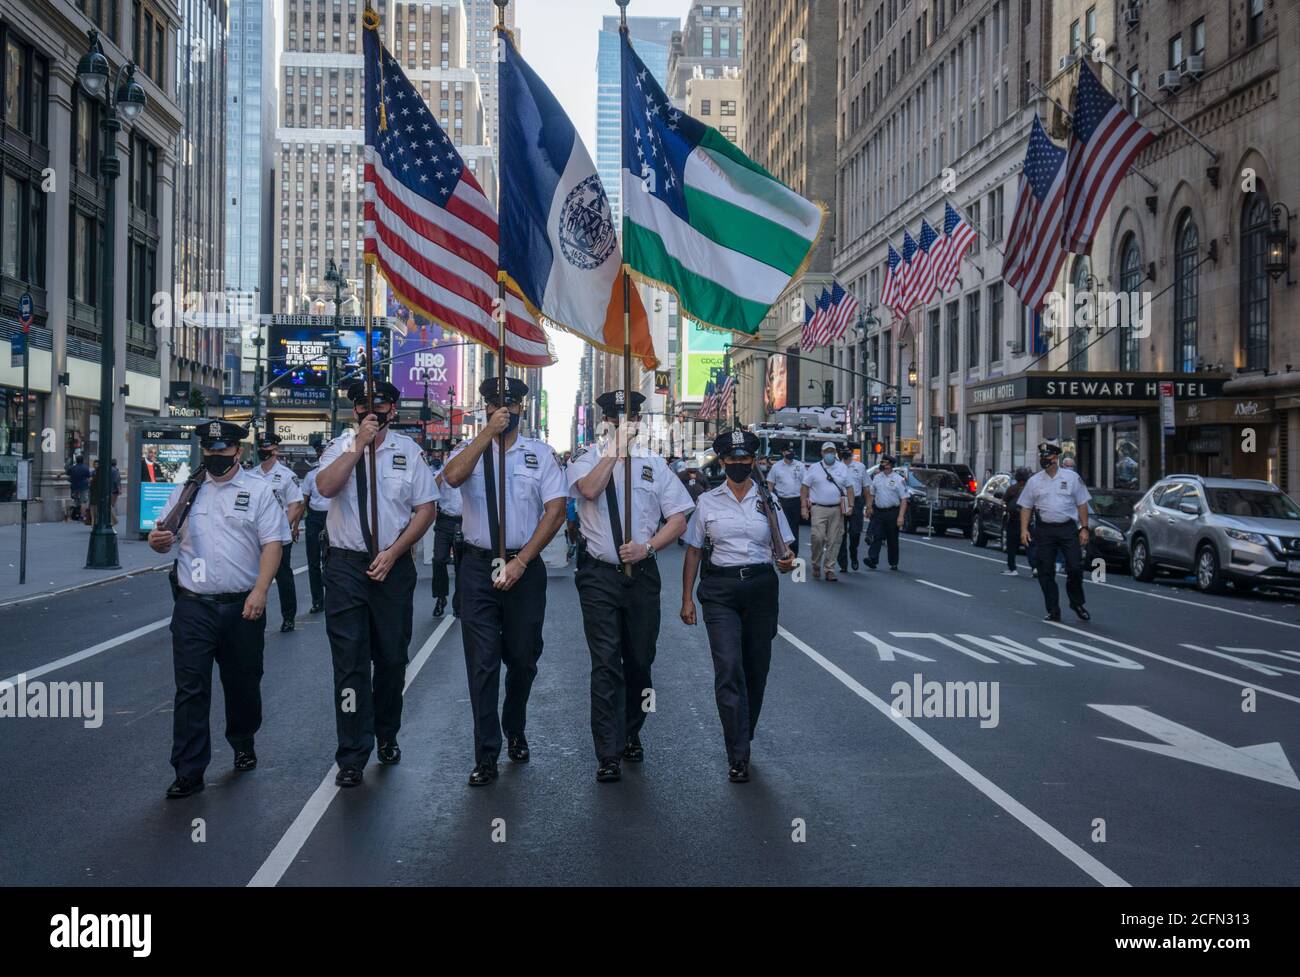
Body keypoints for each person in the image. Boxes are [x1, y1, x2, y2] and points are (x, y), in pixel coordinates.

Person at [147, 420, 289, 799]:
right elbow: (163, 534)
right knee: (190, 689)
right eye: (209, 453)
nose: (215, 459)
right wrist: (157, 540)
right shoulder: (187, 490)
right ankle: (189, 771)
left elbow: (273, 543)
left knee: (242, 683)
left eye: (222, 453)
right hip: (194, 605)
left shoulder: (258, 491)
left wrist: (261, 591)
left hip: (243, 605)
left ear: (237, 452)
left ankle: (243, 739)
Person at [441, 376, 567, 787]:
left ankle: (515, 724)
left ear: (522, 409)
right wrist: (485, 436)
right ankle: (486, 753)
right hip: (478, 567)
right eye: (495, 405)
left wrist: (523, 561)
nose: (504, 412)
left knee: (523, 658)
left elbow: (555, 511)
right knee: (482, 663)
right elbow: (453, 477)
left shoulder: (540, 455)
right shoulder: (469, 450)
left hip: (524, 569)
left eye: (510, 406)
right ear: (485, 409)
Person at [315, 380, 438, 788]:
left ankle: (386, 733)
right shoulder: (339, 447)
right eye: (364, 406)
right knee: (349, 664)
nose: (373, 411)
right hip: (347, 567)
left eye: (380, 405)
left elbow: (426, 509)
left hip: (393, 566)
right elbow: (325, 487)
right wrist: (357, 446)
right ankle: (352, 753)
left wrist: (396, 551)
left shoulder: (408, 452)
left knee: (390, 659)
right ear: (355, 412)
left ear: (393, 408)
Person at [568, 390, 694, 782]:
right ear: (603, 421)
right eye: (616, 417)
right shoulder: (586, 460)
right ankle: (607, 752)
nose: (624, 422)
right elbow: (588, 490)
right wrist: (614, 451)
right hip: (599, 576)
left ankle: (631, 733)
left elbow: (679, 518)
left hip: (641, 575)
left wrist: (648, 547)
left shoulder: (655, 465)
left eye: (631, 417)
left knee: (639, 661)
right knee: (605, 662)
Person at [681, 429, 795, 783]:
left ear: (754, 461)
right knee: (729, 667)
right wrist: (687, 597)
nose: (740, 464)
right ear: (723, 462)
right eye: (732, 459)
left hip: (760, 588)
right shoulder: (708, 501)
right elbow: (694, 550)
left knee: (756, 670)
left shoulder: (768, 500)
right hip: (720, 591)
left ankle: (744, 730)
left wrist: (788, 559)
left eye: (746, 459)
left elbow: (785, 546)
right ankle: (737, 752)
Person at [1018, 441, 1091, 622]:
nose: (1044, 460)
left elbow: (1082, 503)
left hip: (1067, 528)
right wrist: (1024, 530)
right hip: (1045, 530)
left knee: (1075, 567)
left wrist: (1084, 528)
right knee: (1045, 570)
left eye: (1048, 457)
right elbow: (1026, 507)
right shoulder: (1034, 481)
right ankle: (1053, 609)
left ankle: (1076, 602)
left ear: (1056, 458)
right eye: (1042, 457)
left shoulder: (1072, 478)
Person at [247, 432, 306, 633]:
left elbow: (296, 505)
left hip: (279, 537)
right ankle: (252, 614)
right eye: (261, 449)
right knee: (254, 578)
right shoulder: (251, 475)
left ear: (275, 451)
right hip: (255, 537)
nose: (263, 453)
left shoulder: (287, 476)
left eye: (267, 450)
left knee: (283, 577)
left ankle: (288, 617)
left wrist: (282, 527)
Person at [800, 441, 849, 581]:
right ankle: (816, 563)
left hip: (837, 509)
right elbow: (804, 487)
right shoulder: (814, 468)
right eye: (827, 451)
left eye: (832, 452)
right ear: (822, 453)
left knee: (834, 540)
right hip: (818, 508)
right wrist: (804, 507)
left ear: (835, 453)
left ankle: (829, 568)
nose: (830, 454)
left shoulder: (842, 468)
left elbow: (850, 487)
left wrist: (850, 506)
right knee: (818, 537)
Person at [430, 452, 464, 618]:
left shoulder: (468, 473)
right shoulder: (440, 475)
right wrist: (442, 476)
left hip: (464, 522)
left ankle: (459, 603)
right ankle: (440, 597)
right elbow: (429, 490)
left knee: (461, 565)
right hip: (445, 522)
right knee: (438, 560)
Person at [299, 440, 330, 614]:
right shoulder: (311, 475)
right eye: (320, 451)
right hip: (315, 518)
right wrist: (295, 525)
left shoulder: (337, 472)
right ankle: (317, 600)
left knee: (332, 561)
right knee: (313, 562)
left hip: (332, 518)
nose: (322, 454)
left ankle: (333, 597)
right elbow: (303, 501)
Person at [865, 455, 909, 570]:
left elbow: (904, 499)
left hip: (892, 512)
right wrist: (869, 507)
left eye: (885, 464)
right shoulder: (877, 477)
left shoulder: (899, 479)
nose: (884, 466)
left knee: (892, 539)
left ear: (890, 465)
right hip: (879, 512)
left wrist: (901, 516)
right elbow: (871, 494)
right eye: (883, 464)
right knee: (876, 536)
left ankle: (893, 562)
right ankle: (872, 559)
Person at [765, 447, 805, 558]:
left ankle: (794, 554)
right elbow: (770, 484)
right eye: (788, 451)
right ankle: (782, 552)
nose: (790, 453)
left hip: (796, 500)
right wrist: (768, 500)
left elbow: (805, 485)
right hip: (781, 501)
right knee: (781, 527)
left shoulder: (800, 466)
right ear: (783, 452)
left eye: (792, 451)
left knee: (794, 528)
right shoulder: (776, 467)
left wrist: (804, 504)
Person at [837, 448, 869, 572]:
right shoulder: (836, 467)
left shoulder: (860, 467)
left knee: (855, 532)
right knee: (841, 533)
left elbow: (866, 486)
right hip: (841, 500)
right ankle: (843, 562)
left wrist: (869, 505)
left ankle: (853, 553)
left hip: (856, 501)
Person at [1001, 467, 1030, 576]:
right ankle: (1035, 567)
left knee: (1011, 546)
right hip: (1028, 520)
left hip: (1013, 519)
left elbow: (1004, 501)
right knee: (1030, 545)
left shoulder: (1012, 489)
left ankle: (1012, 568)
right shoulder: (1030, 489)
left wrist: (1005, 509)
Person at [65, 455, 91, 522]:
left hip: (74, 486)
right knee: (83, 501)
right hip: (83, 486)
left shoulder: (73, 467)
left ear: (76, 460)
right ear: (83, 460)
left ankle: (75, 514)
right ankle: (82, 516)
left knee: (75, 500)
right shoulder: (86, 468)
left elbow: (67, 473)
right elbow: (88, 476)